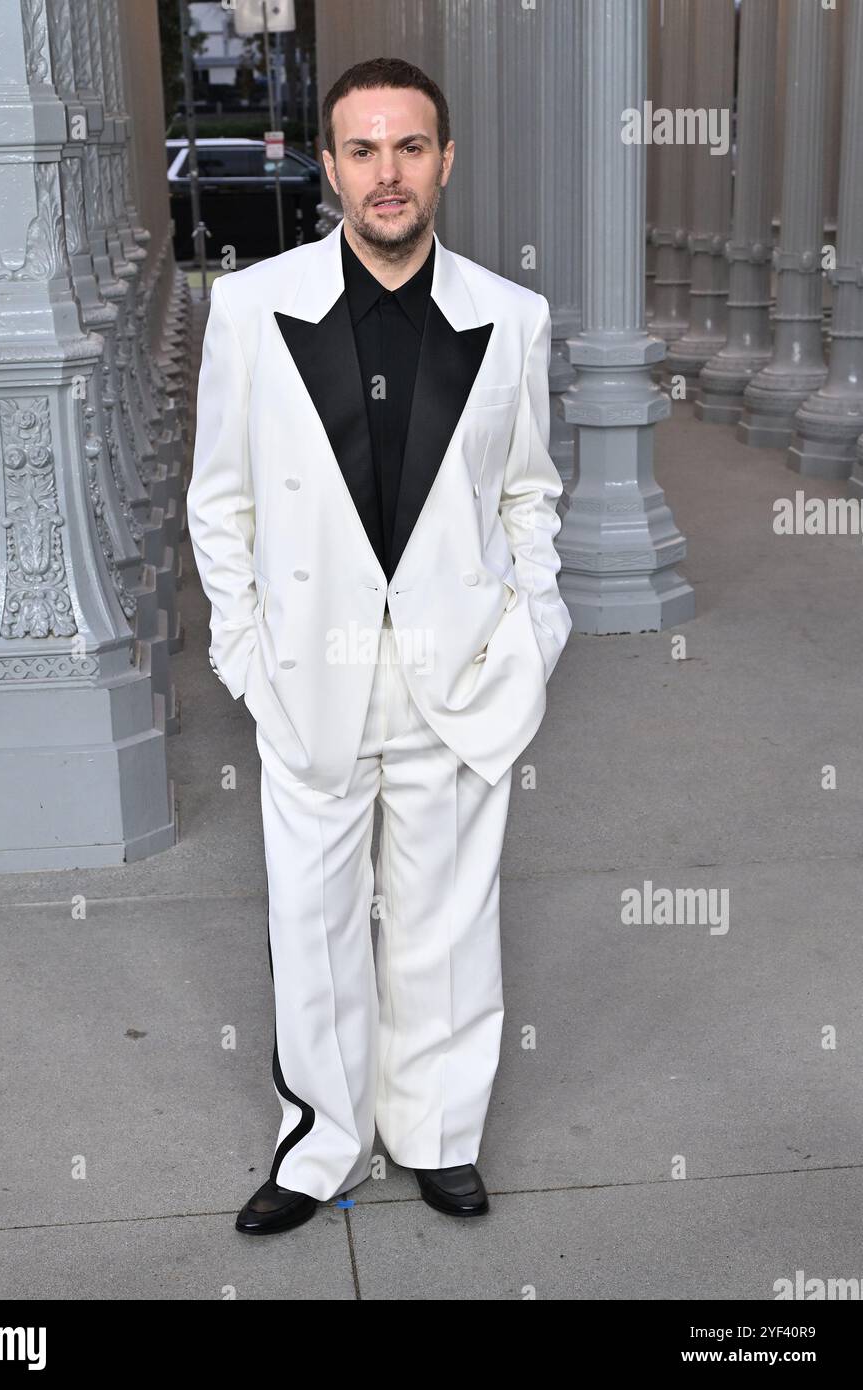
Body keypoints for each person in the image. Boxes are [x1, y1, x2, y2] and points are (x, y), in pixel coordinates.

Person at [186, 56, 572, 1235]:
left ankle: (437, 1135)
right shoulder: (249, 310)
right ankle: (320, 1149)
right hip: (309, 676)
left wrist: (532, 632)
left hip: (454, 674)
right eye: (362, 149)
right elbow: (222, 504)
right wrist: (247, 661)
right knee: (311, 925)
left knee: (445, 924)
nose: (386, 173)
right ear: (329, 165)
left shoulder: (510, 319)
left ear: (443, 162)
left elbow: (528, 498)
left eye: (409, 148)